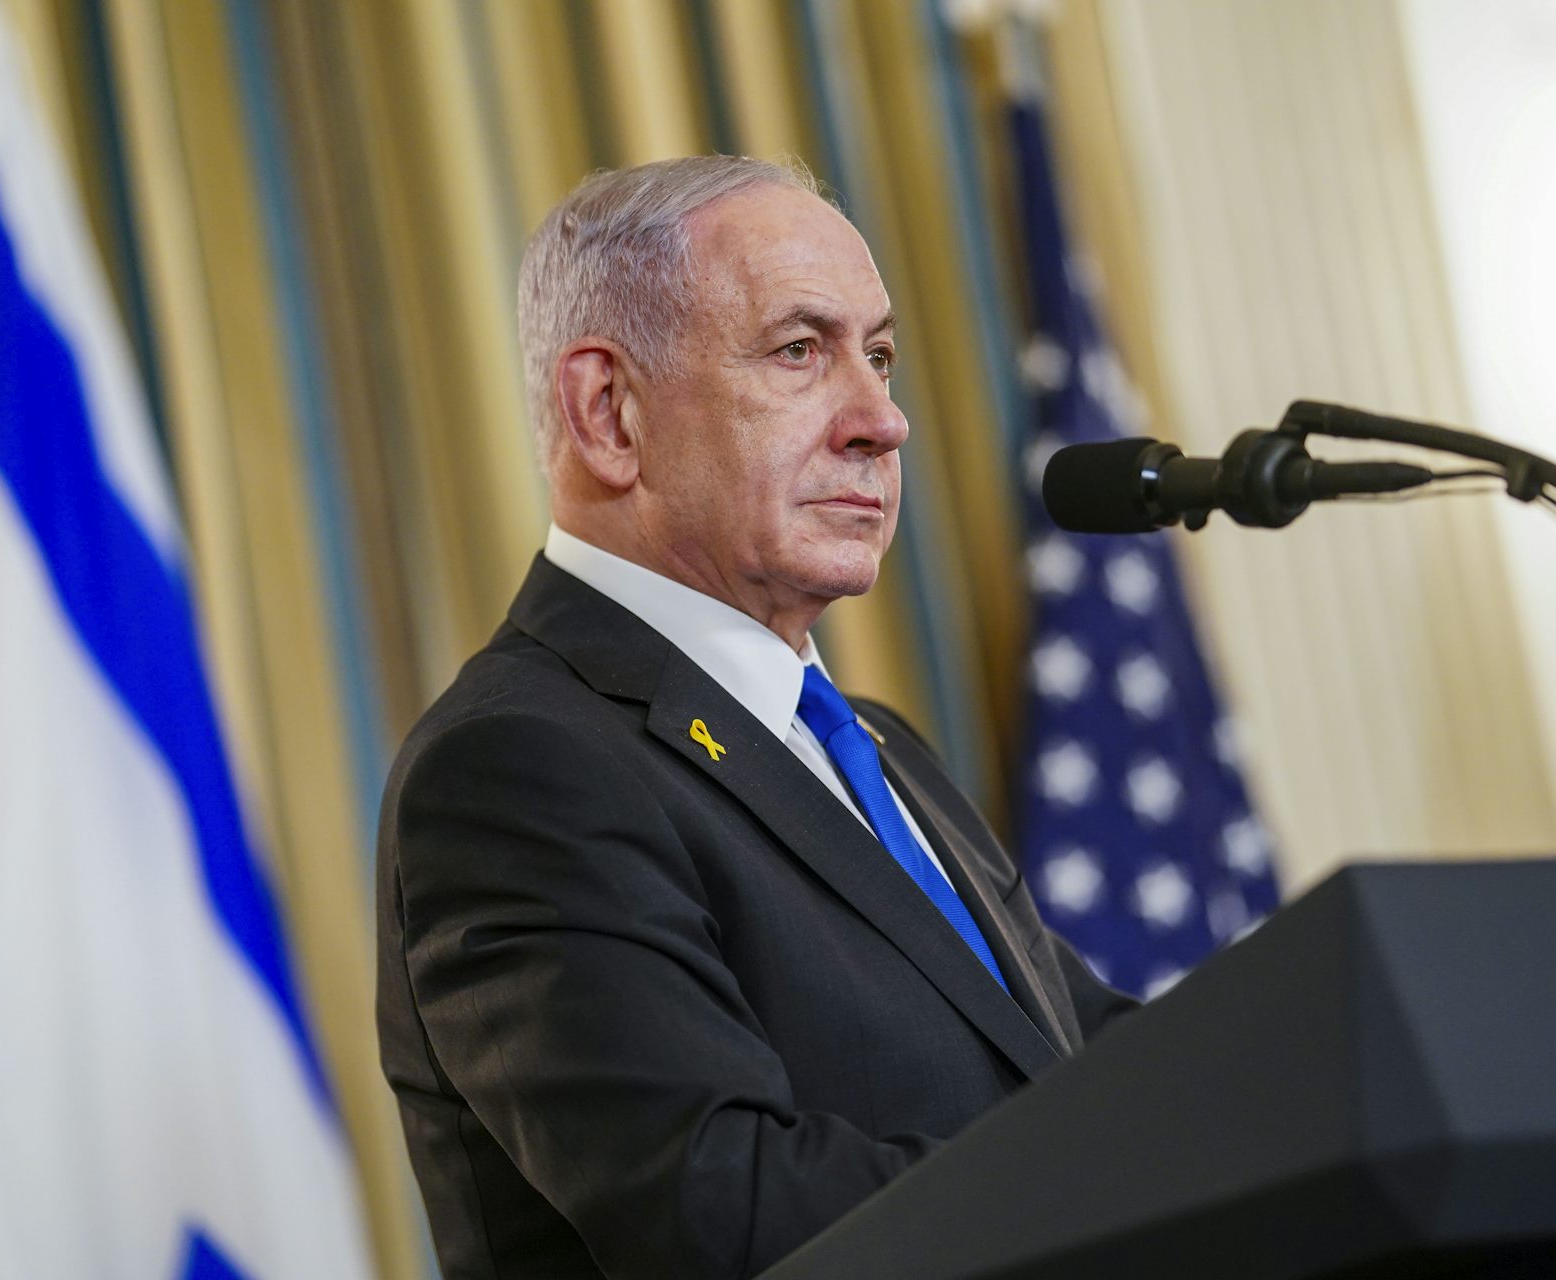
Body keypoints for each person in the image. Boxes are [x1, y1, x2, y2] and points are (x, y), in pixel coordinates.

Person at [376, 155, 1137, 1280]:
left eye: (880, 356)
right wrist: (1123, 1194)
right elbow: (718, 1205)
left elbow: (1078, 1054)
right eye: (800, 350)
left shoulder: (872, 743)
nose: (884, 420)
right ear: (610, 413)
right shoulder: (517, 765)